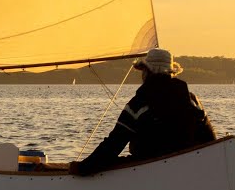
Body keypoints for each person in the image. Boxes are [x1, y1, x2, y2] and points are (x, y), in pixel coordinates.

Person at [70, 48, 216, 176]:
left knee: (109, 162)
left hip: (146, 169)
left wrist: (83, 168)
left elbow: (114, 144)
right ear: (172, 72)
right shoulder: (192, 100)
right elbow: (211, 141)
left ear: (146, 71)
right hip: (186, 169)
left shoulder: (138, 104)